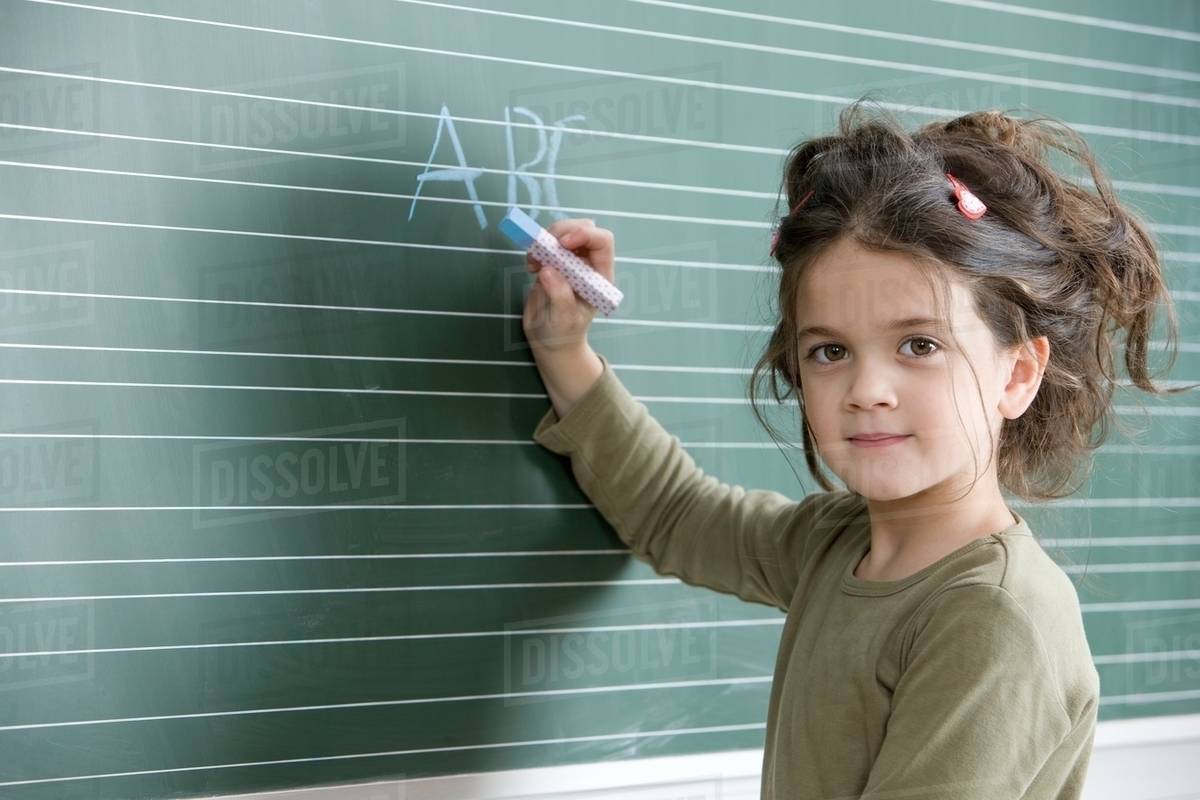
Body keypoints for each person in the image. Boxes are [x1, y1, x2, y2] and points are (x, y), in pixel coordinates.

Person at [521, 99, 1195, 799]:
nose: (867, 390)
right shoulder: (836, 545)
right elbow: (676, 516)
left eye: (920, 345)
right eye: (831, 351)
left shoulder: (993, 617)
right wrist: (563, 348)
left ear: (1018, 374)